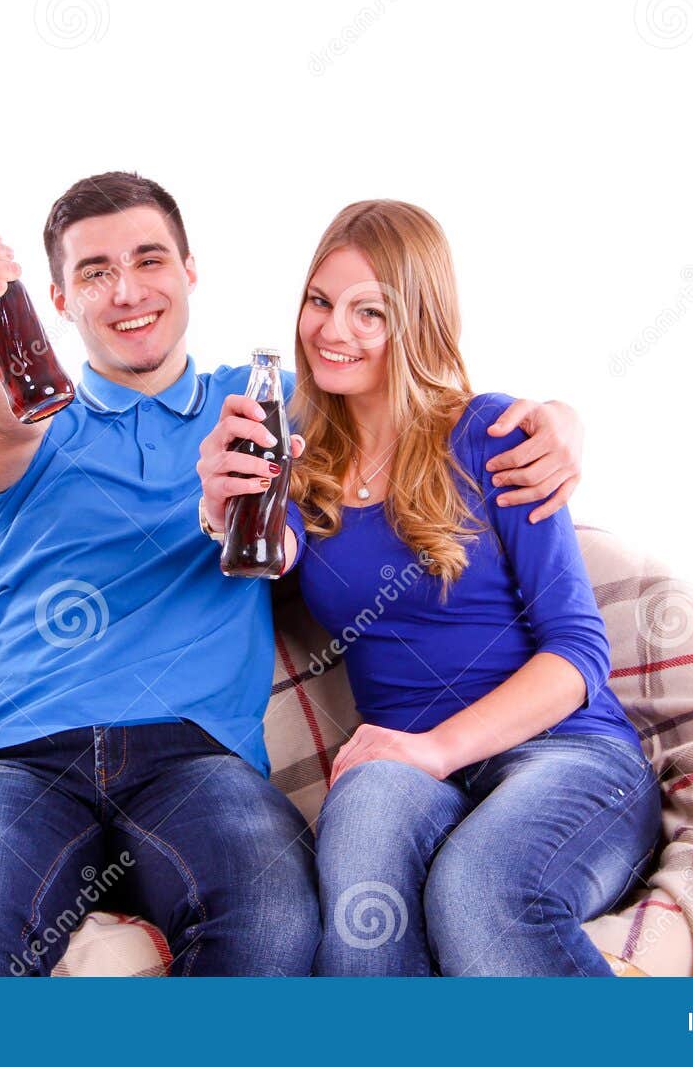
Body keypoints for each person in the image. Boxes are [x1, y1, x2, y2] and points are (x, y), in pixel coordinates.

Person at [0, 174, 588, 976]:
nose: (126, 291)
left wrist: (560, 420)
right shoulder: (29, 423)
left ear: (191, 269)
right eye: (93, 273)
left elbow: (407, 408)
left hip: (198, 759)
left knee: (273, 928)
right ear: (55, 297)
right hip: (19, 758)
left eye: (149, 259)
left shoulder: (279, 411)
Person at [196, 199, 659, 976]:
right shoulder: (302, 464)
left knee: (478, 887)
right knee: (361, 905)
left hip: (562, 754)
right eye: (320, 301)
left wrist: (436, 748)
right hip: (405, 767)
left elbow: (579, 652)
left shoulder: (495, 436)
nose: (332, 330)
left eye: (368, 311)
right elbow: (268, 551)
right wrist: (221, 507)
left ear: (417, 321)